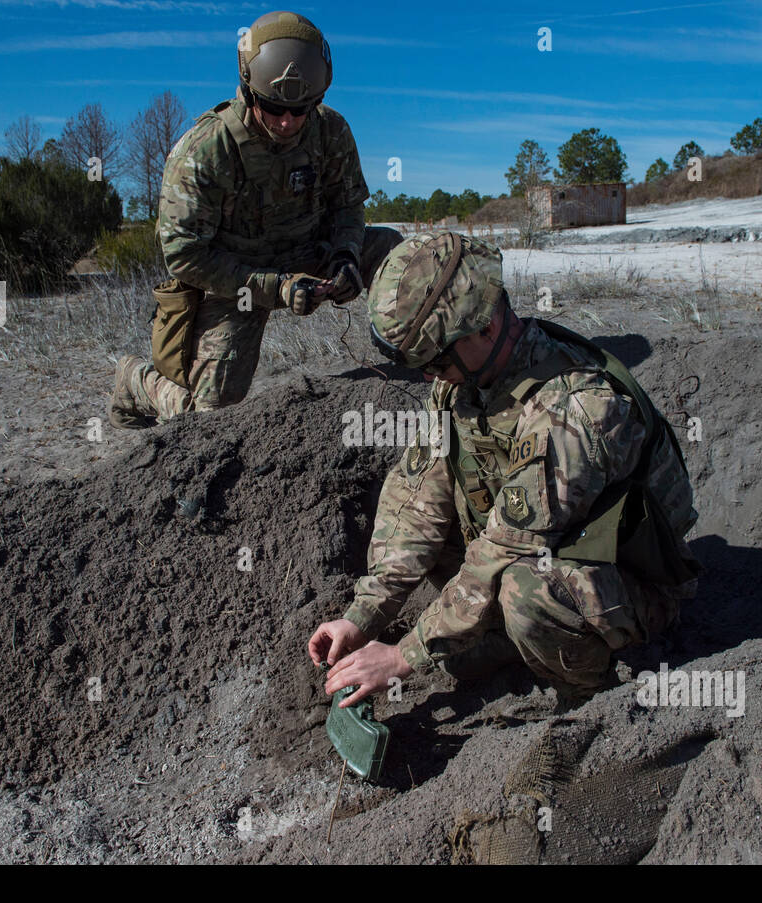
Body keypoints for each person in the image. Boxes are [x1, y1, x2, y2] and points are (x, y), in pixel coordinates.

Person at [308, 231, 701, 708]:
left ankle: (590, 695)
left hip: (628, 580)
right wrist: (363, 614)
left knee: (526, 593)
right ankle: (508, 639)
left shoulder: (575, 410)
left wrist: (402, 656)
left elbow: (500, 553)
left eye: (434, 359)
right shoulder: (464, 382)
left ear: (484, 329)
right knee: (449, 542)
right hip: (543, 544)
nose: (429, 375)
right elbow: (416, 499)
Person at [109, 10, 402, 427]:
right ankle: (137, 381)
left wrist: (346, 256)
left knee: (398, 253)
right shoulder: (206, 150)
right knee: (208, 421)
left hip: (307, 253)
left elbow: (347, 206)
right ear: (250, 90)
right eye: (274, 107)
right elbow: (185, 257)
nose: (287, 122)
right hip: (233, 281)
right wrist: (275, 288)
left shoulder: (331, 131)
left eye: (301, 109)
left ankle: (420, 361)